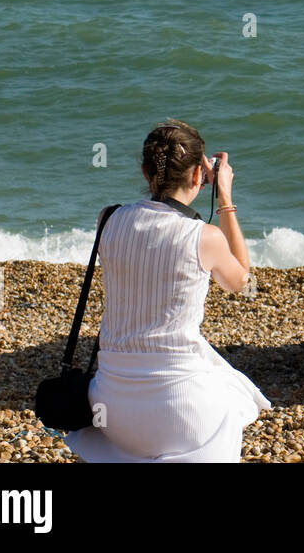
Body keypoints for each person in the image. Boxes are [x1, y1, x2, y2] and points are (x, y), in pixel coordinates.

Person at [64, 119, 271, 462]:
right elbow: (240, 281)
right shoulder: (203, 237)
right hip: (182, 411)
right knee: (236, 395)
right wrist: (225, 200)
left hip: (112, 405)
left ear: (146, 172)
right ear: (197, 177)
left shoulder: (108, 219)